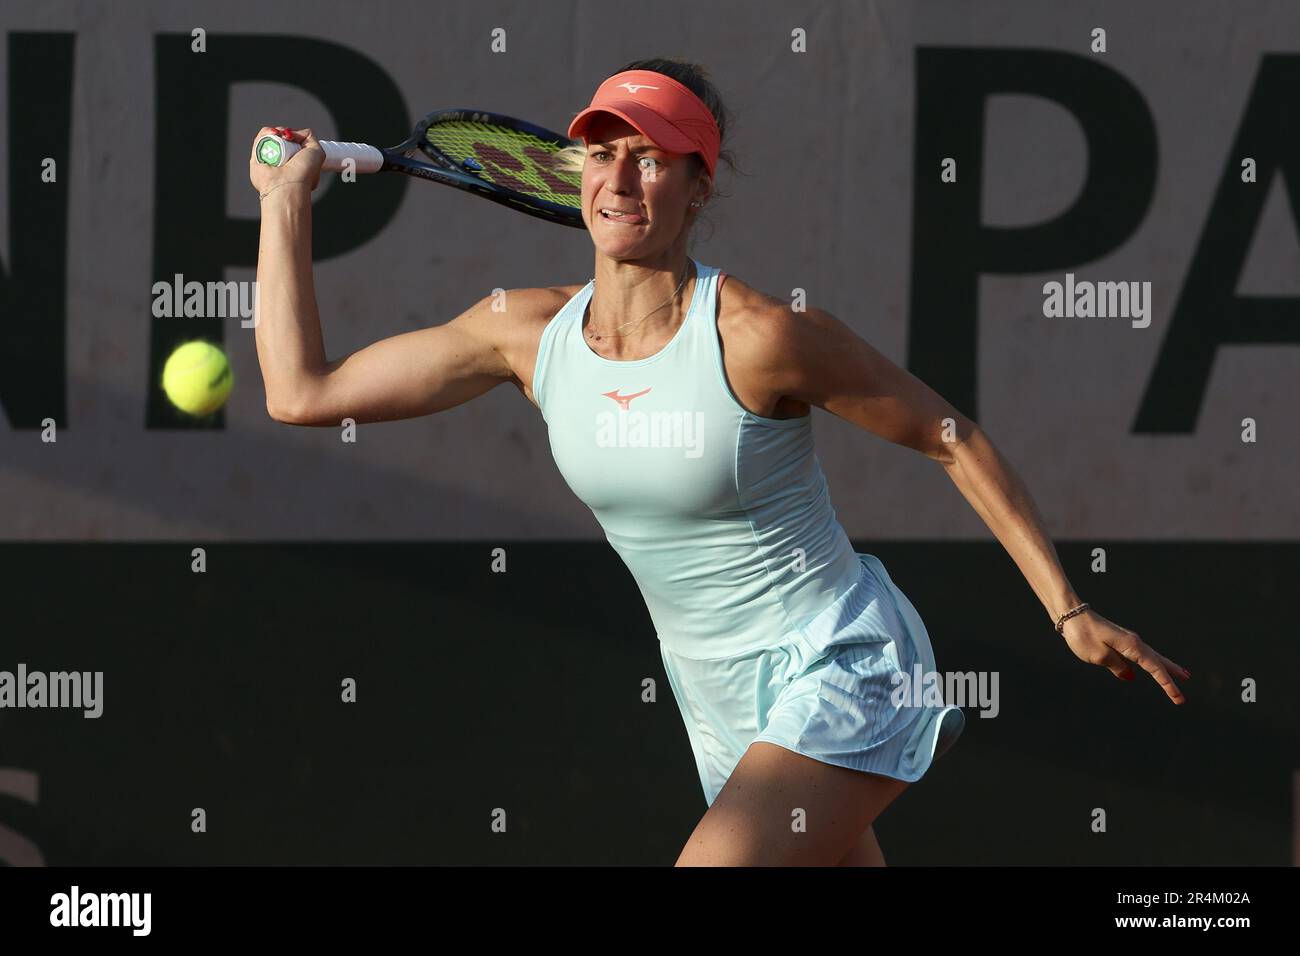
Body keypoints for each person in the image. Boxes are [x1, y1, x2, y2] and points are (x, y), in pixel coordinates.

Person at [248, 57, 1190, 867]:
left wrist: (1068, 610)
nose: (621, 176)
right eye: (604, 149)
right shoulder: (523, 334)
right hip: (717, 697)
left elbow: (952, 438)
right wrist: (284, 206)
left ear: (699, 187)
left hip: (842, 663)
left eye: (651, 156)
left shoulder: (761, 336)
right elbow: (302, 392)